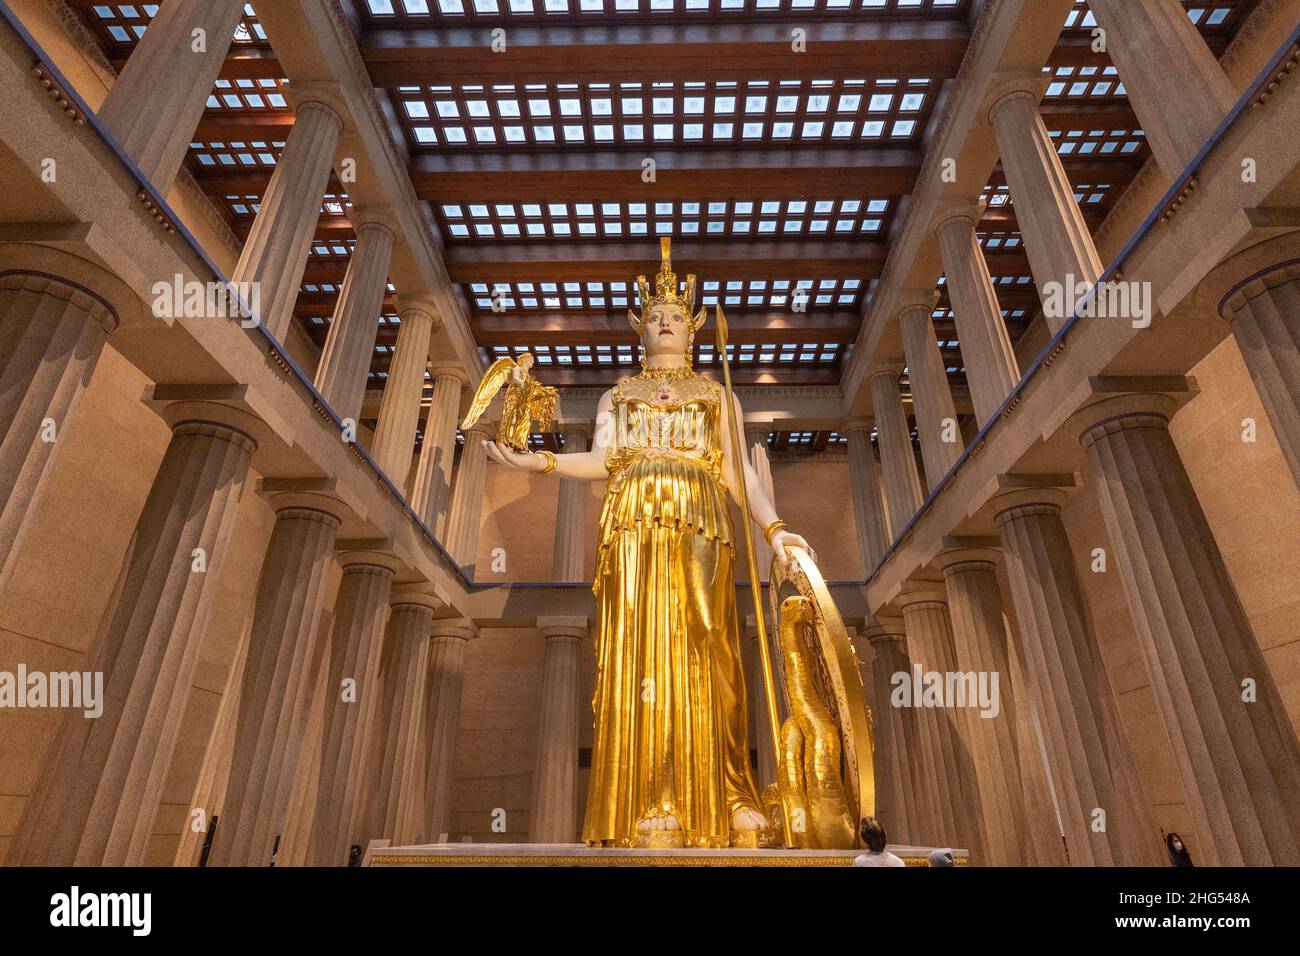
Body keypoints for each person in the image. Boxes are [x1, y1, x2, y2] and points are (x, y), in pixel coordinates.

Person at [484, 239, 815, 848]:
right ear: (642, 328)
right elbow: (606, 459)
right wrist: (542, 465)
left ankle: (728, 789)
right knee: (639, 651)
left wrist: (775, 531)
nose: (665, 323)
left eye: (675, 316)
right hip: (633, 526)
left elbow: (737, 472)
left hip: (700, 522)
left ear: (691, 328)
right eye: (656, 316)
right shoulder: (619, 395)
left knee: (711, 644)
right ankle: (653, 796)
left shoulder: (719, 395)